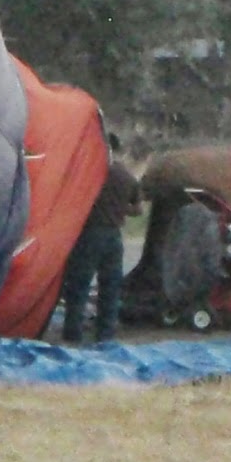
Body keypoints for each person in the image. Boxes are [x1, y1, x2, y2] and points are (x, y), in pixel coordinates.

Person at [60, 132, 143, 344]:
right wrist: (119, 209)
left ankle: (73, 334)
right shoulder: (125, 176)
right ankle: (105, 335)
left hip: (89, 235)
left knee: (79, 285)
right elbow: (138, 210)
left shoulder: (89, 173)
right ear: (117, 150)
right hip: (114, 237)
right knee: (110, 287)